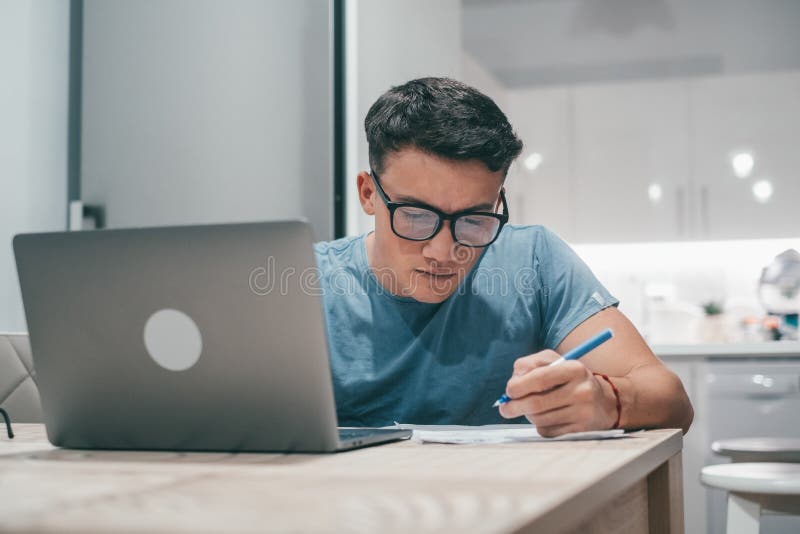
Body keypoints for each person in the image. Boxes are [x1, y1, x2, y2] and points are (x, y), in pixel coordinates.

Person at [314, 77, 693, 436]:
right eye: (415, 216)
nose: (444, 252)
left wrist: (607, 400)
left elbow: (672, 400)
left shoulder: (533, 260)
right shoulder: (311, 281)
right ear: (367, 193)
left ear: (498, 200)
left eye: (475, 219)